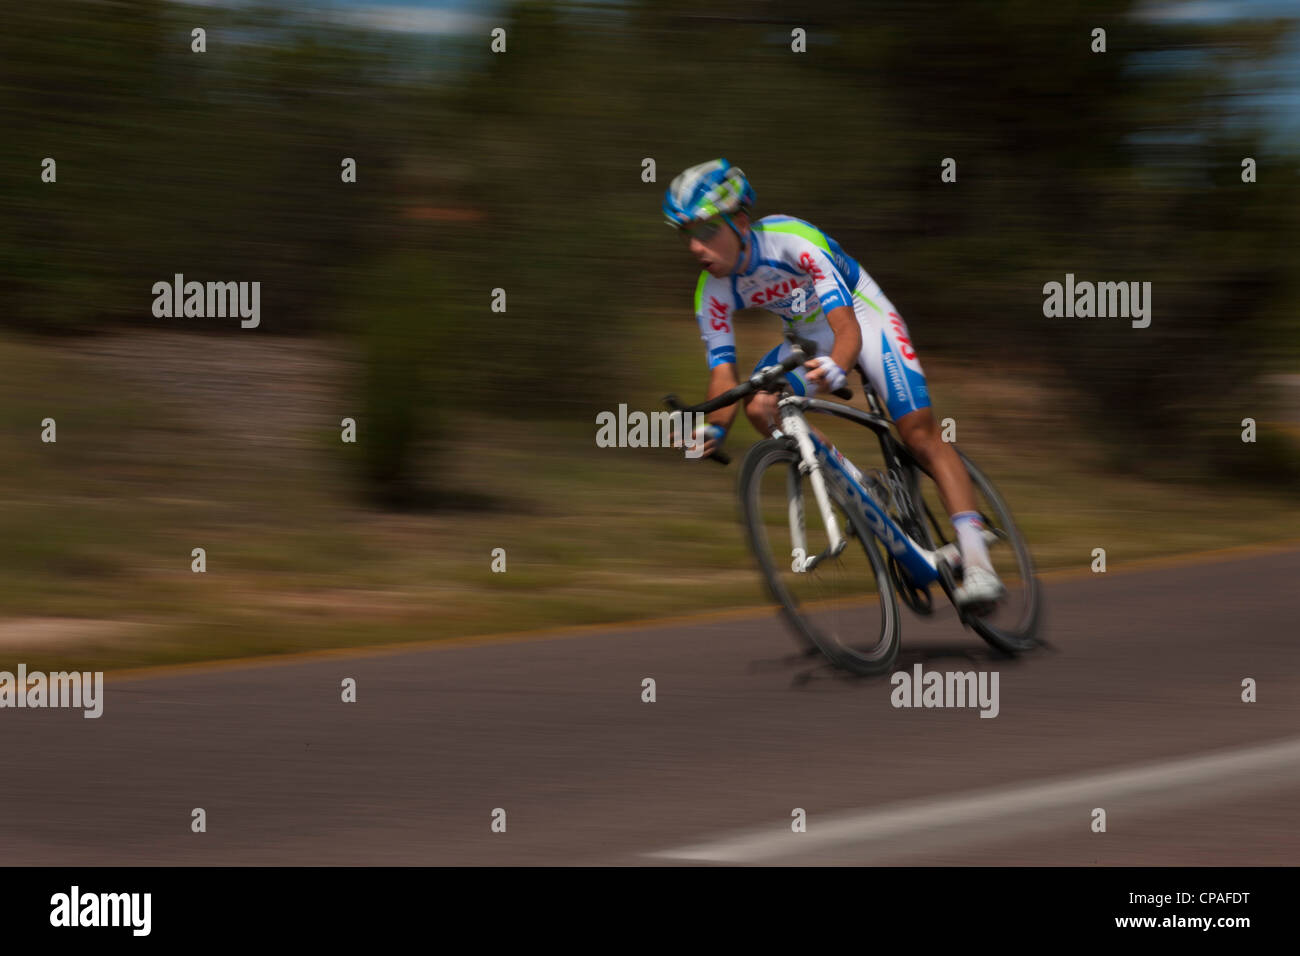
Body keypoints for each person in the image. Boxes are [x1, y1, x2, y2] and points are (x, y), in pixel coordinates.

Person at [663, 158, 1005, 607]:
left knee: (919, 434)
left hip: (863, 317)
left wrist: (841, 366)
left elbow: (847, 330)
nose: (695, 246)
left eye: (706, 230)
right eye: (687, 234)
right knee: (761, 406)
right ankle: (858, 486)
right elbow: (723, 373)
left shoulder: (792, 241)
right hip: (807, 335)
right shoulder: (712, 290)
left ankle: (978, 562)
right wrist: (713, 429)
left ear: (741, 222)